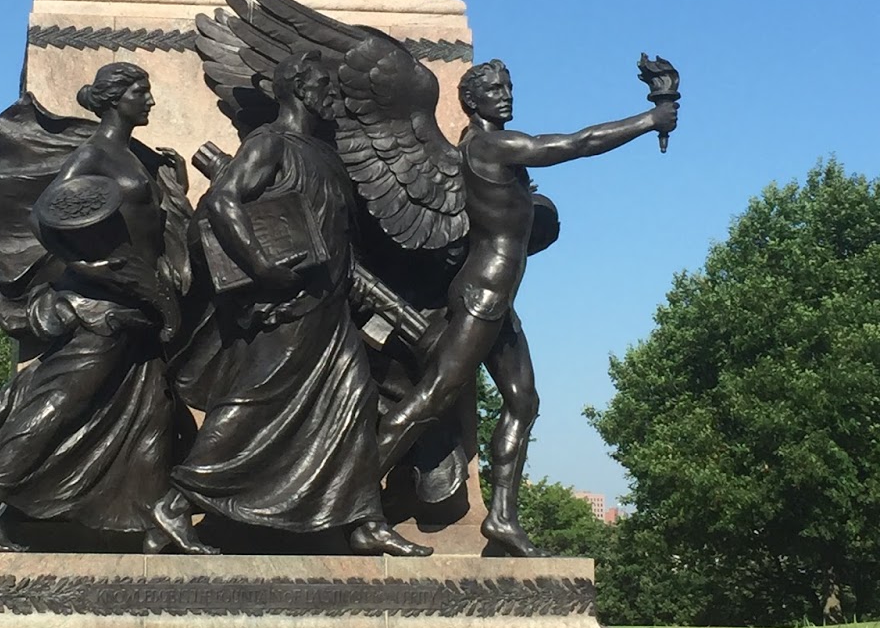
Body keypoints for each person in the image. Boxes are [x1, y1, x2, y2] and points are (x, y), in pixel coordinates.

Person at [376, 61, 680, 557]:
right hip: (482, 296)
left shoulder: (493, 153)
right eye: (493, 89)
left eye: (509, 86)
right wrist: (648, 121)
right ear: (471, 102)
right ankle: (352, 497)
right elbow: (575, 144)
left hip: (498, 300)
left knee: (523, 403)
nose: (505, 95)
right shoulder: (489, 145)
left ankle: (501, 518)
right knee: (431, 399)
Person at [148, 52, 429, 556]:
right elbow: (223, 199)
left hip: (330, 305)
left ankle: (363, 519)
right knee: (253, 400)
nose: (331, 96)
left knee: (355, 399)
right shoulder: (270, 143)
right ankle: (174, 504)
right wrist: (260, 266)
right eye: (323, 86)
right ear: (298, 88)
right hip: (287, 305)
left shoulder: (323, 154)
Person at [0, 64, 190, 549]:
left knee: (154, 409)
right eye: (140, 91)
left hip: (140, 306)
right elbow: (46, 219)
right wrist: (93, 268)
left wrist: (176, 188)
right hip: (102, 308)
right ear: (114, 100)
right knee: (59, 405)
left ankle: (158, 514)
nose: (149, 100)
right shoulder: (95, 154)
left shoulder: (131, 156)